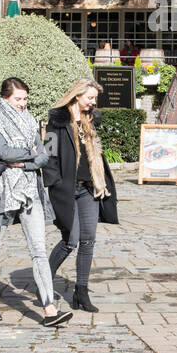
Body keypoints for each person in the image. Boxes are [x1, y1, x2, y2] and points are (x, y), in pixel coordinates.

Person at [0, 78, 72, 328]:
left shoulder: (30, 120)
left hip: (30, 190)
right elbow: (2, 153)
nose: (22, 104)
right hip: (2, 191)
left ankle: (49, 309)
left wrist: (24, 162)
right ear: (5, 98)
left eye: (25, 99)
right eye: (18, 99)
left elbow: (44, 156)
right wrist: (30, 156)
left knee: (38, 249)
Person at [45, 77, 119, 313]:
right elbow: (48, 155)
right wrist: (54, 183)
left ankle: (81, 292)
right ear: (77, 95)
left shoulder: (90, 120)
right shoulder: (57, 120)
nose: (93, 102)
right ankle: (44, 280)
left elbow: (95, 154)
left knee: (88, 240)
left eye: (94, 98)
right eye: (90, 98)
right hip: (66, 188)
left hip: (90, 187)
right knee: (71, 240)